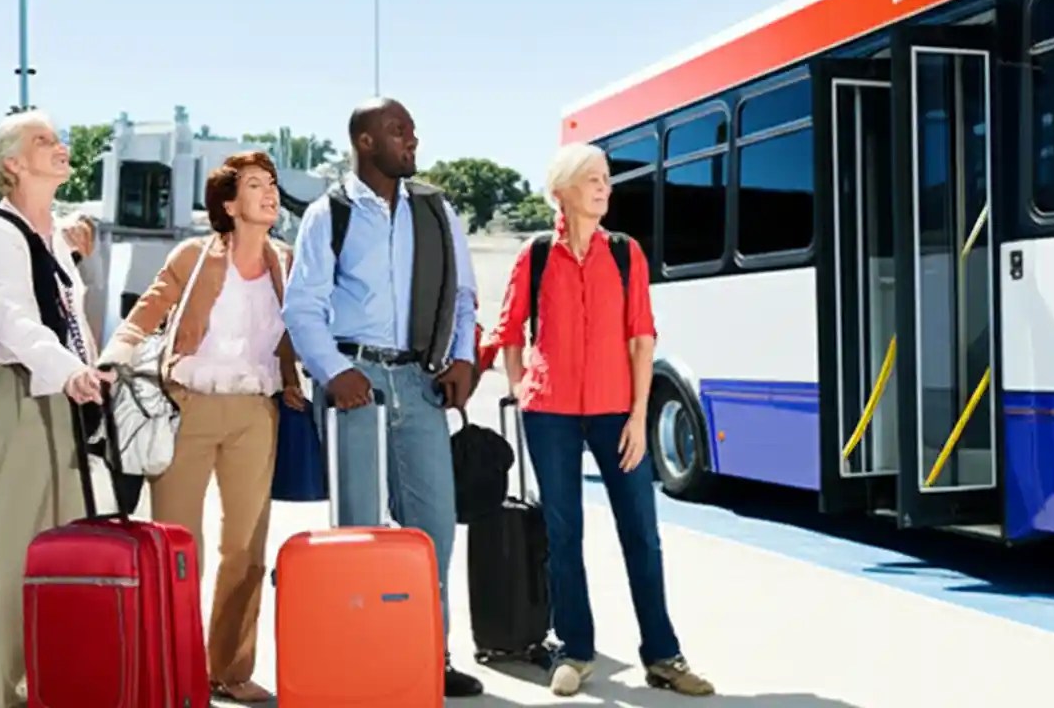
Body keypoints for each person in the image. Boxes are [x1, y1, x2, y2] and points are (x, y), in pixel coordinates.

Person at [490, 142, 714, 698]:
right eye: (592, 179)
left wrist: (639, 418)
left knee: (641, 533)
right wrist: (523, 390)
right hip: (552, 414)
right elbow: (509, 329)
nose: (604, 187)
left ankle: (663, 655)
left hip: (618, 412)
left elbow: (642, 337)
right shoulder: (536, 254)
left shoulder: (626, 254)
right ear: (563, 189)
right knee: (565, 535)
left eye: (606, 179)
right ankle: (575, 650)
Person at [282, 96, 484, 698]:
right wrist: (334, 372)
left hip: (421, 383)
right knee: (358, 530)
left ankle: (429, 654)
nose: (412, 140)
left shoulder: (436, 208)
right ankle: (361, 659)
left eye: (414, 131)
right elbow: (302, 306)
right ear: (365, 142)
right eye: (399, 131)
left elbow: (464, 294)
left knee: (433, 528)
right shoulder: (331, 213)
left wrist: (466, 357)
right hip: (356, 387)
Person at [98, 150, 304, 703]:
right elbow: (148, 309)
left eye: (273, 185)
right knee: (176, 542)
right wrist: (112, 358)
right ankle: (173, 662)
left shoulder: (286, 260)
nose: (270, 193)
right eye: (256, 186)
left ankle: (230, 669)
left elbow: (308, 320)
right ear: (230, 205)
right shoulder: (194, 255)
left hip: (256, 411)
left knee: (246, 547)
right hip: (186, 405)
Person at [0, 110, 116, 708]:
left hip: (62, 399)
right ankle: (6, 693)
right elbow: (14, 319)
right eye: (43, 140)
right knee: (21, 549)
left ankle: (54, 680)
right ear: (11, 164)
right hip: (19, 396)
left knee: (63, 547)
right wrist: (70, 370)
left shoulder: (46, 232)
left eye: (59, 137)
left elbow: (66, 314)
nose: (61, 146)